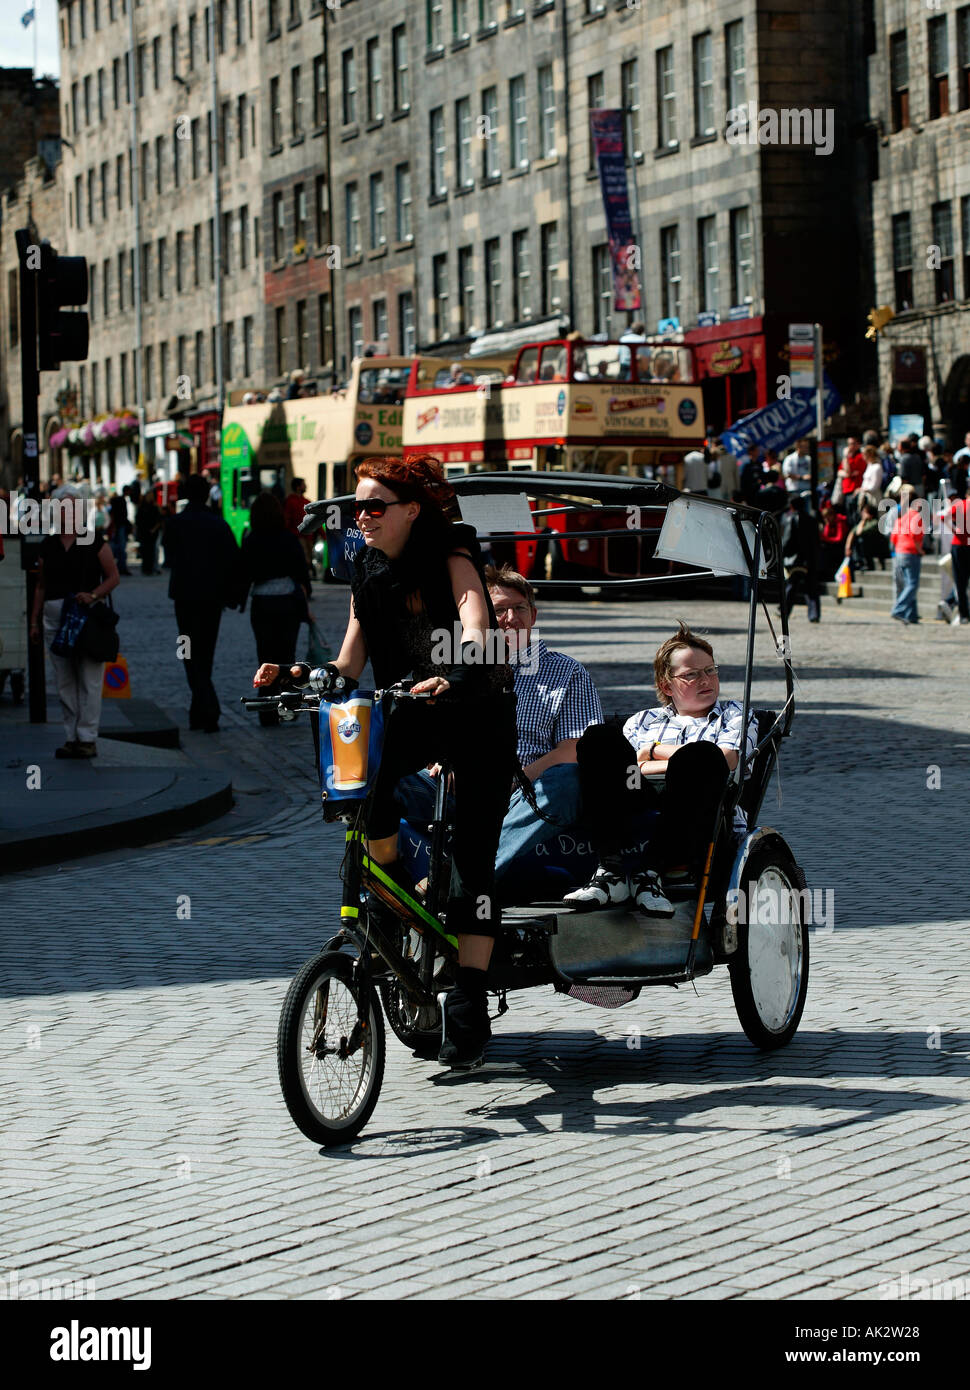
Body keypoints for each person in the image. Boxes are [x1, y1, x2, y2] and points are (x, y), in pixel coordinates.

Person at [253, 454, 518, 1068]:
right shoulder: (367, 568)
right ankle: (399, 893)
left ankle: (471, 1003)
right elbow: (348, 663)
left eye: (374, 506)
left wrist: (454, 669)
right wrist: (300, 673)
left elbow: (476, 625)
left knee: (476, 863)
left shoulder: (452, 556)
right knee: (365, 796)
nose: (362, 517)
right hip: (412, 711)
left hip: (476, 711)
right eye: (355, 508)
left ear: (410, 511)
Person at [393, 565, 603, 903]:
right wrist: (442, 758)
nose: (510, 618)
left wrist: (514, 779)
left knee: (570, 781)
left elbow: (576, 748)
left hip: (529, 793)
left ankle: (461, 879)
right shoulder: (454, 668)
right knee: (382, 776)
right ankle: (384, 899)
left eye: (519, 608)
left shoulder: (567, 672)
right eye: (499, 610)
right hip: (455, 786)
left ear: (533, 615)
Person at [563, 625, 757, 913]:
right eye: (692, 674)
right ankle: (611, 871)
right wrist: (648, 762)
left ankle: (649, 873)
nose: (706, 680)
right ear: (667, 686)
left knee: (702, 756)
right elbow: (629, 767)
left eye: (711, 670)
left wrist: (653, 752)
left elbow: (725, 759)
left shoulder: (735, 714)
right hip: (637, 794)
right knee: (598, 739)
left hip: (698, 804)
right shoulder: (643, 720)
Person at [28, 484, 121, 758]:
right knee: (64, 681)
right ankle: (71, 735)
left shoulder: (93, 540)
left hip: (86, 616)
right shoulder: (48, 543)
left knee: (89, 679)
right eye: (62, 507)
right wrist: (34, 620)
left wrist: (93, 595)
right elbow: (41, 586)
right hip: (55, 617)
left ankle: (87, 736)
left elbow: (113, 577)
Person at [165, 473, 244, 732]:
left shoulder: (176, 523)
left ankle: (205, 708)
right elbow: (234, 561)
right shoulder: (218, 524)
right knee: (205, 653)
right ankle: (201, 710)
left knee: (188, 653)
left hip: (186, 599)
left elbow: (169, 556)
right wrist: (234, 596)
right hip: (211, 599)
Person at [241, 493, 311, 725]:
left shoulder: (252, 540)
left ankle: (267, 711)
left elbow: (243, 574)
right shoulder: (289, 539)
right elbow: (302, 572)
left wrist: (236, 599)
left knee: (265, 656)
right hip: (288, 602)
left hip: (262, 603)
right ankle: (287, 708)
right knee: (287, 657)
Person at [781, 492, 821, 621]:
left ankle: (784, 612)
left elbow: (787, 540)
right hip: (810, 558)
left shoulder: (791, 519)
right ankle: (814, 614)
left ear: (792, 506)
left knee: (791, 586)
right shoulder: (812, 519)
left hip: (795, 559)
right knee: (811, 588)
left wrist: (782, 554)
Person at [890, 485, 924, 625]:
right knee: (912, 585)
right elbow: (915, 536)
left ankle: (912, 615)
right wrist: (920, 550)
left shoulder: (901, 517)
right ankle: (899, 609)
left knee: (908, 584)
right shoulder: (916, 516)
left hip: (899, 552)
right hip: (910, 552)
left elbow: (893, 537)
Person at [135, 492, 163, 575]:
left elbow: (159, 519)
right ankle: (146, 568)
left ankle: (151, 568)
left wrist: (154, 529)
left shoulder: (154, 507)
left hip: (152, 533)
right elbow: (138, 520)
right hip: (144, 532)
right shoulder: (142, 507)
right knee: (145, 551)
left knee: (152, 551)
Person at [107, 490, 131, 575]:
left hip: (118, 526)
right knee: (120, 548)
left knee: (118, 548)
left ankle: (120, 566)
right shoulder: (120, 501)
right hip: (119, 526)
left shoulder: (116, 502)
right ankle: (121, 567)